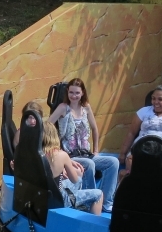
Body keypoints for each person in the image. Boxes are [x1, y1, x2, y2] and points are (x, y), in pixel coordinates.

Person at [48, 78, 119, 214]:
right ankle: (89, 202)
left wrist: (96, 150)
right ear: (67, 92)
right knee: (89, 164)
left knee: (113, 162)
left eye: (77, 93)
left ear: (82, 93)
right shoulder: (63, 108)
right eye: (71, 92)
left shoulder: (86, 107)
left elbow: (94, 128)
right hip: (71, 155)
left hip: (87, 153)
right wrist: (56, 148)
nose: (74, 96)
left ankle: (106, 202)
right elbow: (48, 127)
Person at [119, 82, 162, 180]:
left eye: (160, 99)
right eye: (153, 98)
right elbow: (131, 133)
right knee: (132, 168)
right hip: (141, 150)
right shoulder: (143, 111)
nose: (156, 102)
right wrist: (122, 153)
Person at [42, 121, 102, 215]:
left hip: (42, 196)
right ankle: (91, 226)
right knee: (98, 194)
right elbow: (74, 179)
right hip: (60, 198)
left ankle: (76, 206)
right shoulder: (61, 155)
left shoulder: (34, 154)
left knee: (79, 181)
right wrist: (74, 170)